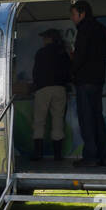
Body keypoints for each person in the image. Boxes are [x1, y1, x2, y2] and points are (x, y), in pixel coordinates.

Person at [69, 1, 106, 167]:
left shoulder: (84, 30)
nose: (72, 19)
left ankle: (90, 157)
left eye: (73, 15)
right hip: (98, 80)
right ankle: (105, 156)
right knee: (97, 119)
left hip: (85, 80)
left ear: (82, 13)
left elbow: (80, 56)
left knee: (86, 120)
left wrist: (72, 72)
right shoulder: (102, 29)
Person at [31, 28, 70, 163]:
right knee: (58, 120)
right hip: (60, 89)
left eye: (44, 38)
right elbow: (68, 70)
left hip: (43, 89)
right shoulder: (63, 52)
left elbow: (35, 72)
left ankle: (38, 154)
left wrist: (35, 86)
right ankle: (58, 155)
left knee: (39, 121)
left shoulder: (41, 52)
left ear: (49, 39)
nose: (43, 40)